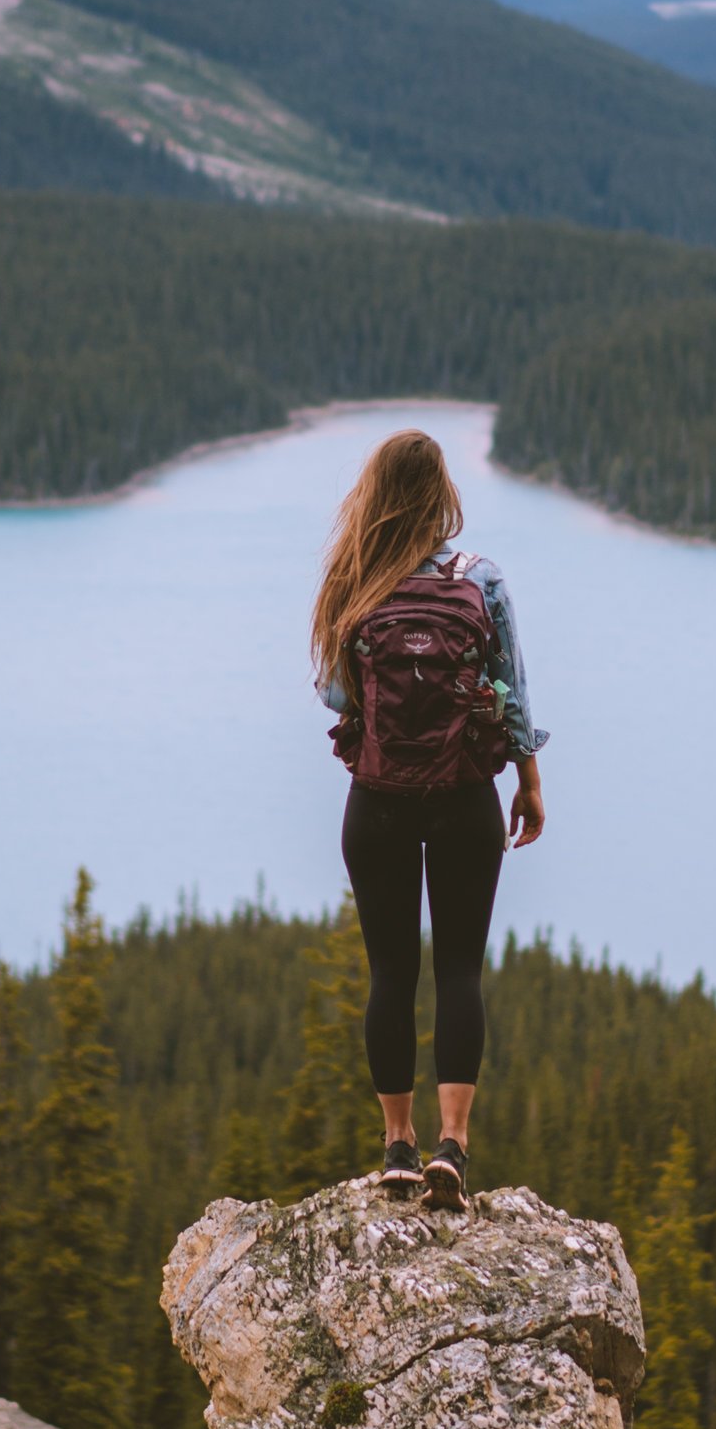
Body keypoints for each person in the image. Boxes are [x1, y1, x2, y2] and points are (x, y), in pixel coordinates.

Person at [311, 428, 547, 1212]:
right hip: (464, 795)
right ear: (443, 490)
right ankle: (454, 1145)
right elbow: (510, 691)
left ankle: (398, 1148)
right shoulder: (480, 578)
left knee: (390, 973)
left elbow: (336, 698)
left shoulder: (357, 581)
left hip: (377, 802)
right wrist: (530, 781)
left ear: (375, 492)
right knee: (457, 970)